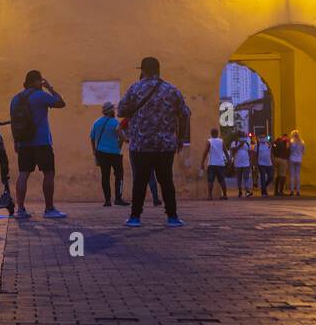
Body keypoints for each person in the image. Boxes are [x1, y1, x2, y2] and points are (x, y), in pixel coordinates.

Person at [117, 56, 190, 227]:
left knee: (140, 181)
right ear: (158, 70)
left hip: (141, 145)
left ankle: (135, 217)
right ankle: (172, 217)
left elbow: (120, 110)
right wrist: (179, 137)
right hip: (165, 145)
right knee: (166, 180)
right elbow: (185, 114)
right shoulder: (171, 90)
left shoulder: (135, 89)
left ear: (142, 70)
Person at [10, 70, 66, 219]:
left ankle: (20, 210)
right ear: (36, 81)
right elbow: (61, 103)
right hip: (42, 142)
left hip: (23, 143)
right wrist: (50, 87)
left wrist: (16, 141)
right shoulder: (41, 96)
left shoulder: (15, 99)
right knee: (48, 173)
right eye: (40, 81)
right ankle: (49, 209)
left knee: (23, 174)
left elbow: (13, 123)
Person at [90, 101, 126, 207]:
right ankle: (118, 199)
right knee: (119, 176)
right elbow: (122, 137)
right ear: (111, 111)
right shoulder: (115, 123)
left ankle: (107, 200)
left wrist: (94, 150)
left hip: (101, 153)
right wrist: (119, 146)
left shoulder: (96, 122)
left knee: (105, 176)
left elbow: (92, 137)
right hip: (115, 153)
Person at [201, 127, 229, 200]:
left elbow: (205, 152)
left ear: (211, 133)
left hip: (212, 163)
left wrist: (202, 162)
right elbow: (225, 151)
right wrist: (228, 160)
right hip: (220, 163)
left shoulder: (209, 141)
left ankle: (210, 196)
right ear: (217, 133)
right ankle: (225, 195)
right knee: (222, 180)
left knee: (210, 180)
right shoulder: (221, 141)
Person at [230, 132, 252, 198]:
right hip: (237, 163)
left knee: (246, 177)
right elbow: (232, 151)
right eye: (241, 136)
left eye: (243, 136)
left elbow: (250, 151)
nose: (243, 137)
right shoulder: (234, 143)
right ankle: (240, 191)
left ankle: (247, 191)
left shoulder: (247, 143)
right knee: (239, 178)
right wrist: (230, 160)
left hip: (246, 163)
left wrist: (250, 161)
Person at [288, 130, 306, 196]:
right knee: (298, 175)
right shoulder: (302, 142)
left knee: (292, 176)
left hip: (292, 159)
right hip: (299, 159)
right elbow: (304, 152)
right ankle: (298, 191)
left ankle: (292, 191)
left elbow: (289, 150)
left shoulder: (291, 142)